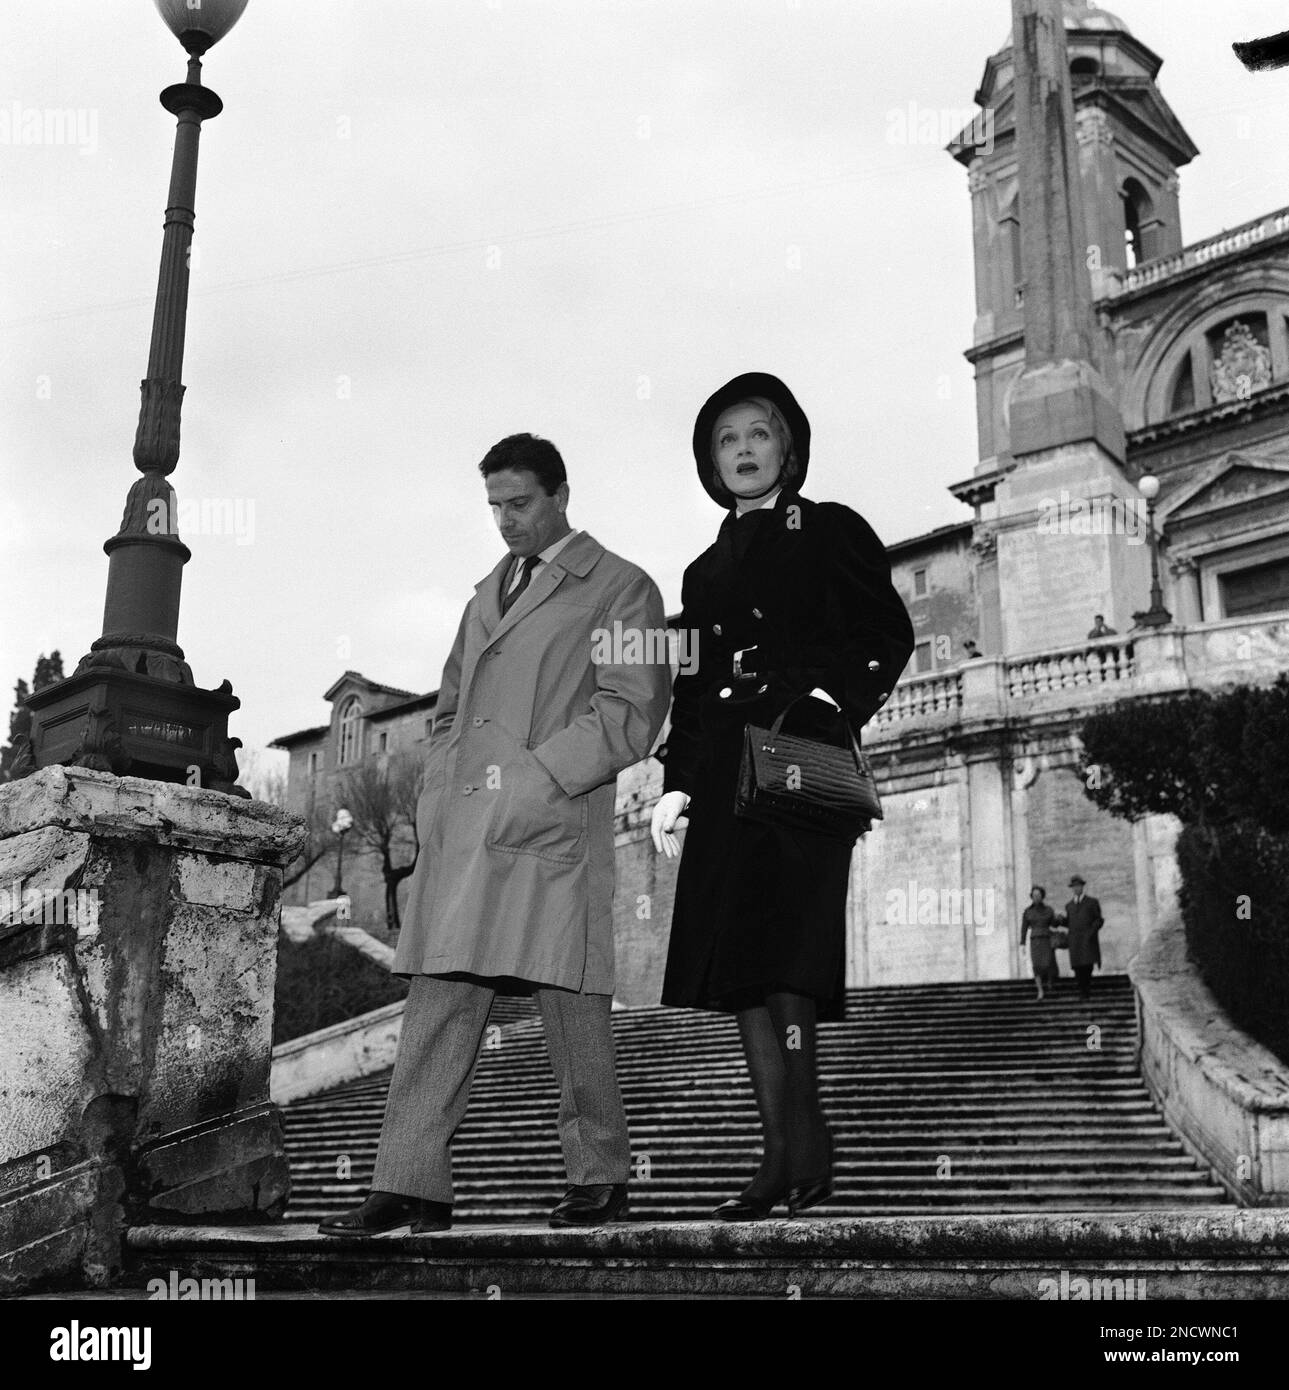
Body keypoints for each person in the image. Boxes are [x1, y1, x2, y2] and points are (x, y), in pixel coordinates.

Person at [321, 433, 671, 1236]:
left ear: (560, 495)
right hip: (466, 828)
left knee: (571, 1003)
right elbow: (447, 706)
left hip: (553, 823)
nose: (506, 522)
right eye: (494, 507)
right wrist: (444, 784)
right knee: (438, 997)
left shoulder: (627, 588)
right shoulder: (485, 594)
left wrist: (536, 777)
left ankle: (600, 1176)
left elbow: (633, 711)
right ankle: (410, 1183)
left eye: (519, 504)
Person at [650, 372, 914, 1221]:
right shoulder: (700, 570)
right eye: (726, 440)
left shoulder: (832, 529)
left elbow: (886, 632)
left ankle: (805, 1146)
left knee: (786, 954)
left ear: (788, 446)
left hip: (801, 755)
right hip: (725, 771)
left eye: (757, 434)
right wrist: (676, 785)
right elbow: (690, 691)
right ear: (709, 460)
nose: (742, 451)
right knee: (739, 970)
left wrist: (836, 695)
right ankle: (780, 1154)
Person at [1056, 874, 1104, 1001]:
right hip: (1075, 941)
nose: (1076, 889)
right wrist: (1061, 921)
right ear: (1072, 889)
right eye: (1074, 887)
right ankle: (1082, 991)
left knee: (1088, 965)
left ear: (1082, 887)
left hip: (1087, 940)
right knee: (1077, 966)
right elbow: (1070, 922)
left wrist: (1092, 931)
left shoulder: (1092, 902)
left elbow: (1099, 920)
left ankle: (1086, 990)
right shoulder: (1069, 906)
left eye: (1078, 886)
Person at [1019, 885, 1058, 1001]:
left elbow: (1054, 923)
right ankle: (1040, 990)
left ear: (1042, 896)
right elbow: (1024, 928)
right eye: (1034, 895)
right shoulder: (1028, 912)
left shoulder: (1048, 910)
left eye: (1039, 895)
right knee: (1036, 965)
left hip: (1046, 939)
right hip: (1035, 941)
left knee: (1048, 963)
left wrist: (1058, 919)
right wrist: (1022, 943)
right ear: (1031, 897)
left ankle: (1050, 984)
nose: (1036, 897)